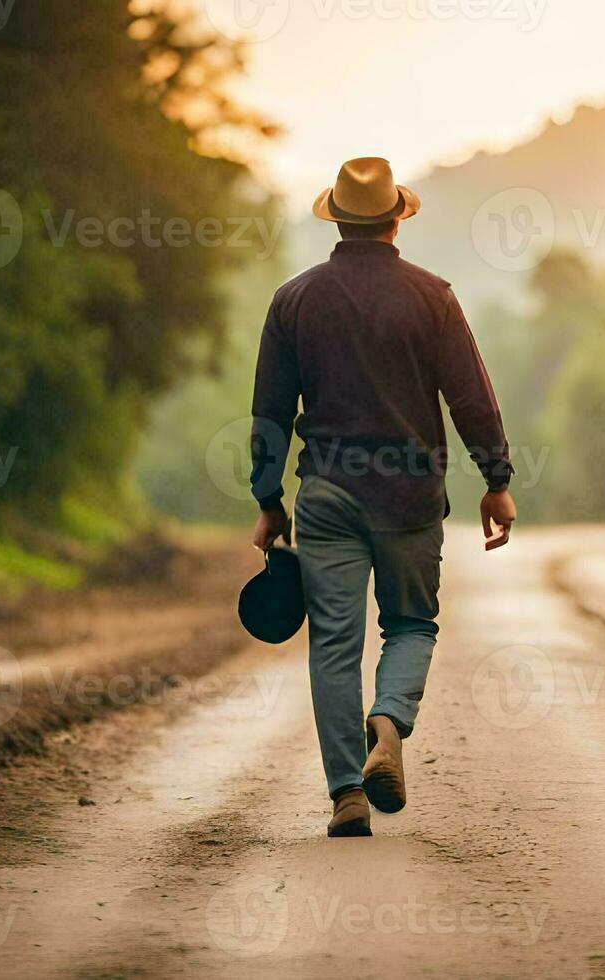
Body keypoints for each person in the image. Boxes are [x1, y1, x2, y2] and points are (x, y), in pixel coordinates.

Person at [248, 157, 515, 838]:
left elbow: (270, 414)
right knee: (410, 625)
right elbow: (471, 399)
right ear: (398, 217)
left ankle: (346, 794)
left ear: (335, 217)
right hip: (411, 495)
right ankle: (388, 725)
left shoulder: (294, 300)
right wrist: (497, 481)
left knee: (334, 645)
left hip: (328, 492)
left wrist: (268, 498)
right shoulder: (434, 296)